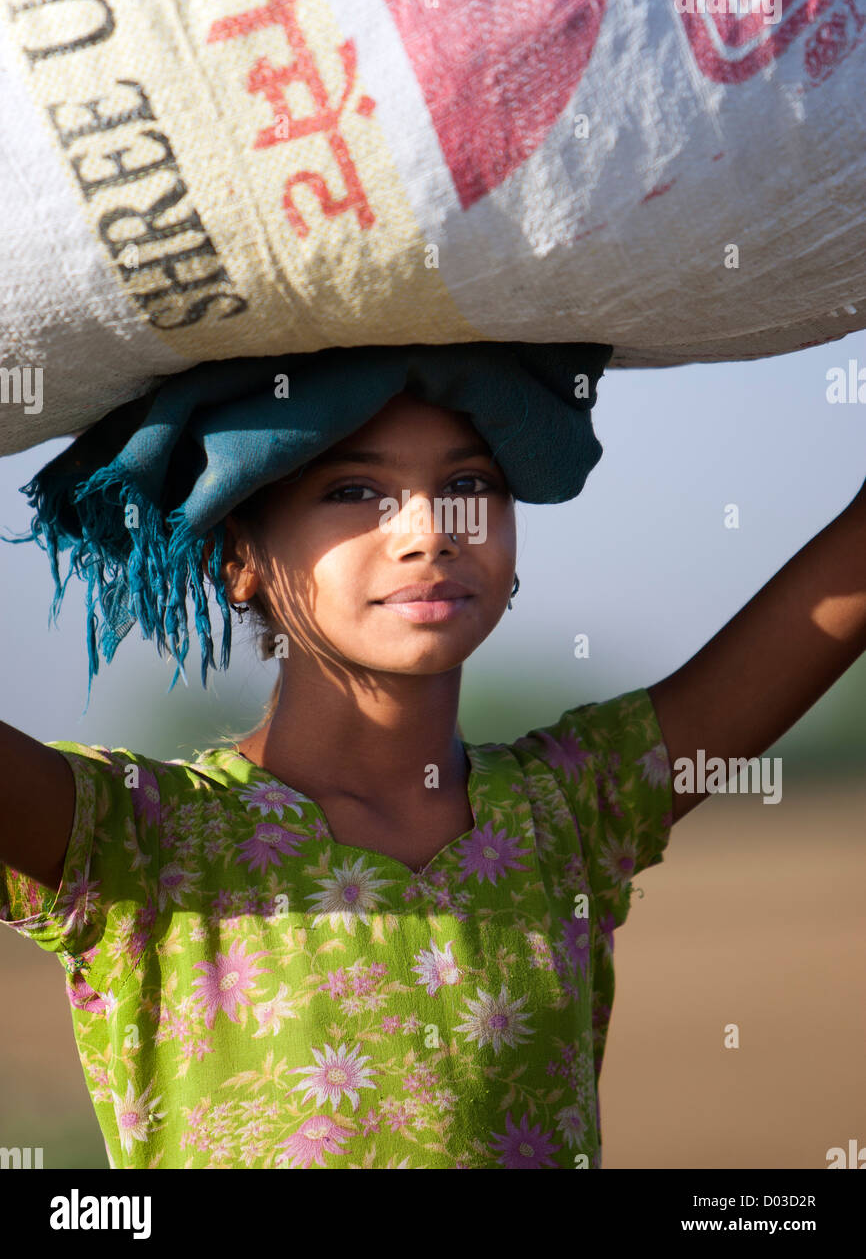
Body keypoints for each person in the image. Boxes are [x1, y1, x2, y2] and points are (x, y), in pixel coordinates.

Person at [2, 342, 865, 1170]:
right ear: (240, 559)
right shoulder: (137, 846)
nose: (429, 532)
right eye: (353, 488)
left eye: (466, 485)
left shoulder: (569, 812)